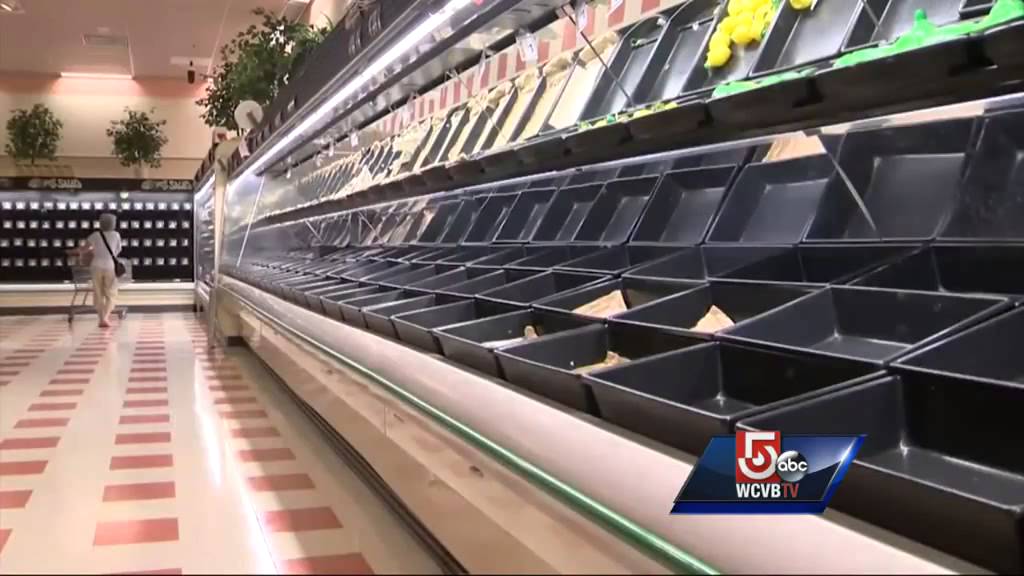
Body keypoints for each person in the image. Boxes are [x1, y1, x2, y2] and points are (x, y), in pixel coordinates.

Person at [68, 213, 123, 327]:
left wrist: (72, 251)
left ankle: (101, 317)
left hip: (96, 266)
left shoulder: (95, 235)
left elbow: (84, 249)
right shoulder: (116, 235)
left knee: (98, 292)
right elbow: (118, 250)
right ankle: (106, 318)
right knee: (110, 293)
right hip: (110, 266)